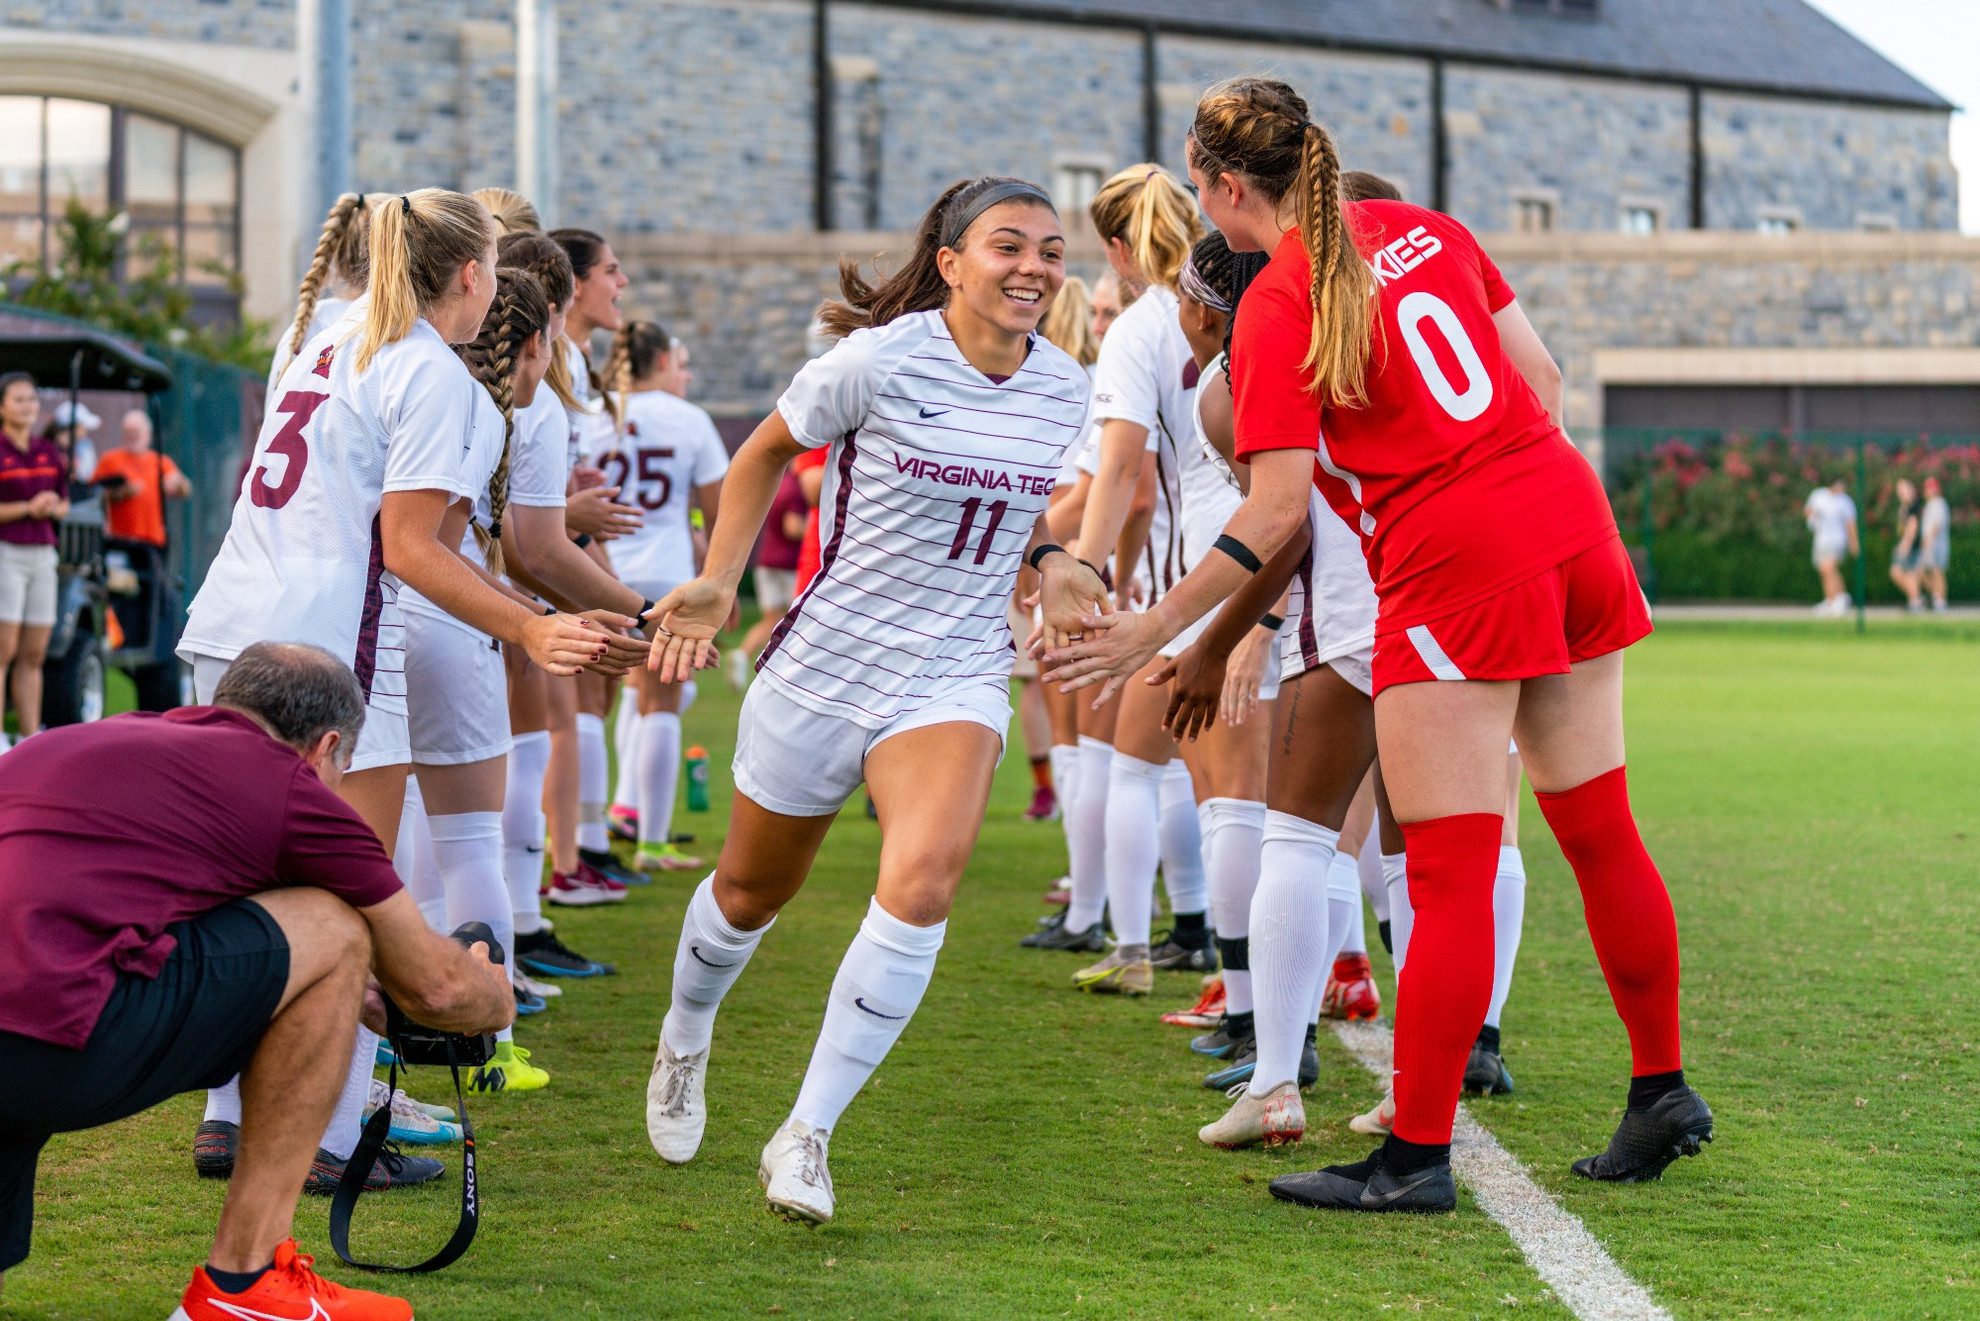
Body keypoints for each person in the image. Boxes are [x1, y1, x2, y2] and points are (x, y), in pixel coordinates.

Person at [1048, 76, 1708, 1211]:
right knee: (1598, 829)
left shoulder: (1275, 301)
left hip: (1458, 557)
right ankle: (1661, 1085)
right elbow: (1539, 382)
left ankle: (1412, 1157)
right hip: (1564, 513)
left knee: (1443, 869)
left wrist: (1156, 627)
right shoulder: (1425, 225)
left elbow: (1270, 511)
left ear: (1217, 186)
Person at [639, 175, 1103, 1226]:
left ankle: (807, 1131)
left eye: (1049, 249)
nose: (1033, 266)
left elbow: (1020, 513)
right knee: (752, 892)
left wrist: (1058, 556)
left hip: (956, 668)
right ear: (950, 261)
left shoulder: (1065, 388)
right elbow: (763, 453)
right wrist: (720, 577)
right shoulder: (876, 360)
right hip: (827, 660)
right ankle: (685, 1030)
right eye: (1007, 245)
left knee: (926, 880)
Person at [178, 189, 615, 1184]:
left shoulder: (327, 327)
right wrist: (531, 625)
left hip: (229, 622)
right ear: (471, 275)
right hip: (328, 642)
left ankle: (226, 1111)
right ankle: (331, 1135)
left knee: (247, 879)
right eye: (497, 263)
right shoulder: (433, 373)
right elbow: (412, 550)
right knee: (342, 897)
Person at [0, 641, 513, 1321]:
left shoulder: (65, 742)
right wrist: (495, 996)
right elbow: (436, 988)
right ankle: (241, 1286)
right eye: (344, 768)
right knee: (334, 930)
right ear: (325, 747)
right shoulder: (285, 783)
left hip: (25, 1018)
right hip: (55, 1035)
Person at [1062, 162, 1216, 993]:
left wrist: (1086, 573)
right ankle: (1202, 934)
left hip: (1180, 579)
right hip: (1269, 564)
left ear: (1117, 248)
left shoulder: (1138, 326)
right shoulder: (1239, 292)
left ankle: (1131, 949)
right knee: (1251, 796)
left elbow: (1127, 472)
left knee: (1134, 766)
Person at [593, 318, 728, 874]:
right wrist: (719, 579)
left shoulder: (593, 413)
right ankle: (651, 839)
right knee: (663, 703)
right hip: (669, 579)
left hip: (597, 571)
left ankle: (593, 826)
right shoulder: (690, 420)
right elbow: (722, 512)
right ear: (665, 362)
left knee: (589, 707)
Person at [0, 373, 68, 747]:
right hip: (6, 553)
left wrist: (53, 506)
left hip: (44, 555)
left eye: (32, 400)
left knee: (34, 653)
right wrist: (27, 506)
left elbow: (64, 499)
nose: (27, 407)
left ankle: (28, 740)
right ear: (2, 407)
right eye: (19, 400)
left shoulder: (47, 450)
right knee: (3, 650)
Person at [724, 468, 806, 695]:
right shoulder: (797, 487)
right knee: (799, 622)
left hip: (766, 561)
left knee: (772, 619)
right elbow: (793, 527)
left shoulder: (780, 482)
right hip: (789, 565)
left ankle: (742, 655)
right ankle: (788, 670)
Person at [93, 410, 191, 547]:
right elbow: (93, 494)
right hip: (118, 539)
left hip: (152, 539)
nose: (132, 436)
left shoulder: (161, 462)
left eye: (137, 431)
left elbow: (185, 489)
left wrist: (177, 484)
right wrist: (121, 493)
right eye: (129, 431)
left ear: (148, 434)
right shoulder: (110, 460)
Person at [1805, 477, 1858, 616]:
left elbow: (1850, 523)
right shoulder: (1818, 495)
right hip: (1821, 539)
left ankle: (1839, 599)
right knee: (1824, 571)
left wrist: (1854, 542)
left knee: (1829, 568)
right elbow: (1808, 511)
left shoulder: (1845, 501)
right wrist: (1812, 515)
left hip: (1838, 539)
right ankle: (1833, 599)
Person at [1889, 476, 1925, 611]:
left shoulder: (1913, 506)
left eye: (1904, 487)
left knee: (1902, 572)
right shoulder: (1904, 506)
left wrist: (1906, 545)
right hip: (1904, 543)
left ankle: (1916, 601)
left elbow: (1913, 526)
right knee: (1906, 574)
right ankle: (1916, 599)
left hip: (1909, 545)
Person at [1919, 475, 1950, 611]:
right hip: (1929, 545)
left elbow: (1936, 525)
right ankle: (1935, 597)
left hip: (1937, 545)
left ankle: (1940, 602)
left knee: (1937, 572)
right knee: (1924, 571)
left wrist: (1928, 540)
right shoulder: (1930, 505)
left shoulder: (1939, 503)